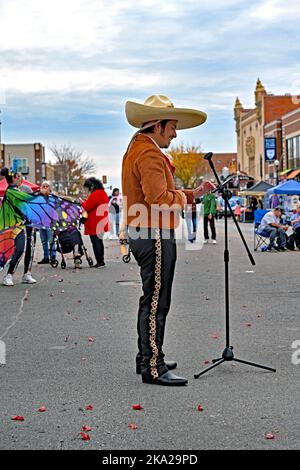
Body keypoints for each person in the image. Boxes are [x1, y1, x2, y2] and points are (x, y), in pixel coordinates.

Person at [122, 94, 214, 386]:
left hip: (143, 231)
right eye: (172, 127)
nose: (175, 134)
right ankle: (153, 365)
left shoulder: (137, 148)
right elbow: (159, 198)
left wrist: (191, 195)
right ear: (157, 125)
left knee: (150, 298)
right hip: (154, 234)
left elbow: (158, 194)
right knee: (157, 301)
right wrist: (188, 196)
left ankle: (147, 356)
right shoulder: (148, 153)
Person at [0, 168, 37, 286]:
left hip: (28, 224)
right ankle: (9, 275)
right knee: (19, 248)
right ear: (14, 178)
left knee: (29, 248)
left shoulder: (25, 189)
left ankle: (27, 273)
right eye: (18, 176)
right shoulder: (11, 191)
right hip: (16, 226)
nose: (20, 178)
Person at [82, 177, 109, 268]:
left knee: (95, 242)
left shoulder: (95, 194)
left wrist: (82, 202)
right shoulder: (103, 193)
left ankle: (100, 262)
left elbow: (88, 206)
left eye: (88, 187)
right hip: (101, 220)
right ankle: (101, 261)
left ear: (92, 186)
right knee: (99, 241)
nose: (88, 190)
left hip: (95, 221)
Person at [37, 181, 56, 264]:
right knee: (44, 241)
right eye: (43, 186)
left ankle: (53, 257)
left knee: (51, 240)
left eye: (46, 186)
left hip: (50, 223)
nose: (45, 187)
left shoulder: (52, 197)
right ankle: (46, 257)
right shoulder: (39, 197)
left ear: (49, 188)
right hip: (41, 223)